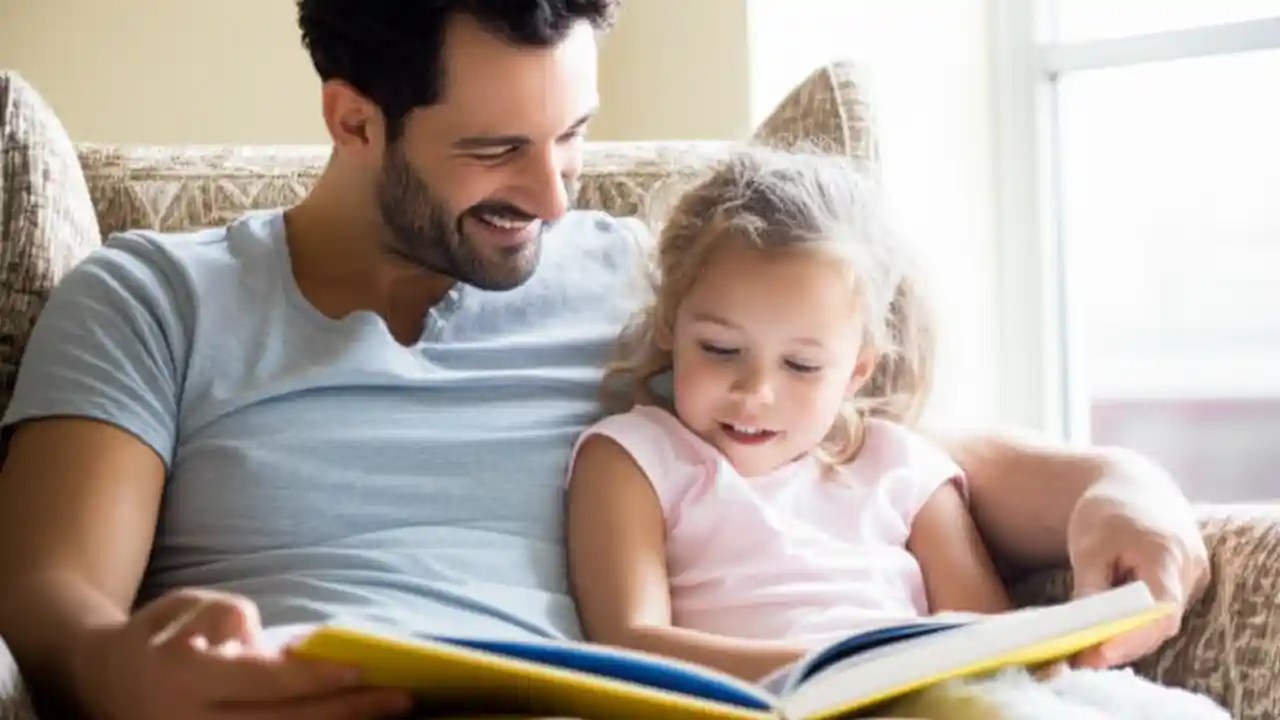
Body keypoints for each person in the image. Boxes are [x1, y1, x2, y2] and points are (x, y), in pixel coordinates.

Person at [0, 2, 1207, 719]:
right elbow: (56, 601)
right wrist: (120, 676)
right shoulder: (152, 298)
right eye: (496, 150)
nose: (551, 193)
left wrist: (1115, 486)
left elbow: (853, 437)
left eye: (571, 135)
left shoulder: (634, 278)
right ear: (353, 119)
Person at [564, 148, 1228, 718]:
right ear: (669, 326)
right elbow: (629, 644)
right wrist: (842, 669)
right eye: (719, 349)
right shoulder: (634, 458)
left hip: (943, 696)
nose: (756, 392)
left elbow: (990, 639)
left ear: (856, 370)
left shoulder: (901, 466)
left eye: (801, 365)